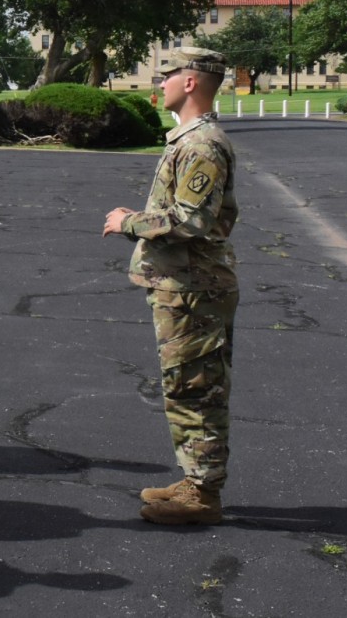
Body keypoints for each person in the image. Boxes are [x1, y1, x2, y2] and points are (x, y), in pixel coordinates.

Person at [102, 46, 238, 525]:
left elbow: (192, 220)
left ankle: (202, 495)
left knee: (195, 387)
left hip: (193, 288)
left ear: (191, 82)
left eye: (167, 75)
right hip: (182, 284)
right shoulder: (188, 139)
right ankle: (194, 477)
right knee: (185, 384)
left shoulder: (202, 145)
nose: (158, 83)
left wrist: (128, 222)